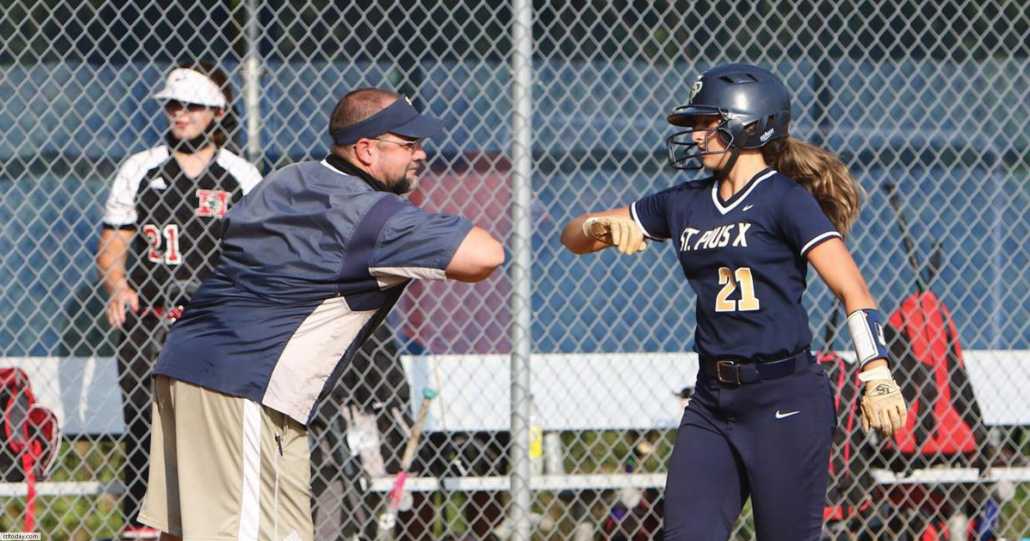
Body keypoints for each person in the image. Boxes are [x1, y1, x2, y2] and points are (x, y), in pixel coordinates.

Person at [136, 88, 505, 541]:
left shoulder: (288, 179)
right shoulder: (371, 214)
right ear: (366, 150)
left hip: (185, 367)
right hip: (247, 388)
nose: (421, 154)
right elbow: (485, 255)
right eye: (408, 145)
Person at [559, 63, 908, 541]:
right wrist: (595, 227)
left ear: (750, 124)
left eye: (709, 123)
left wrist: (876, 372)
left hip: (784, 399)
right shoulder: (684, 203)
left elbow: (854, 291)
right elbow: (572, 236)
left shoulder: (785, 200)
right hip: (712, 401)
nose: (698, 135)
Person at [96, 62, 262, 540]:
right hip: (150, 315)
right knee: (147, 421)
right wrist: (119, 286)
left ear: (216, 111)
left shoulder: (238, 174)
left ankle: (211, 520)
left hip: (213, 319)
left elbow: (259, 247)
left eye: (192, 105)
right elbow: (113, 244)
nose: (180, 113)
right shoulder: (141, 167)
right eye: (173, 104)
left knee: (214, 423)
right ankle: (147, 519)